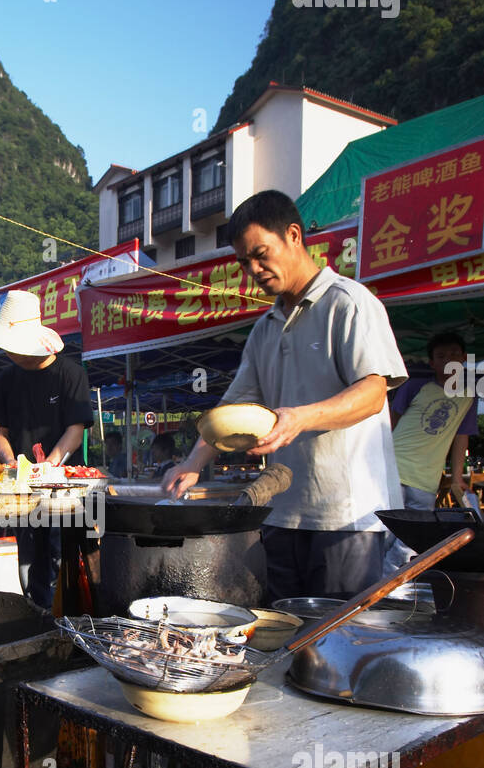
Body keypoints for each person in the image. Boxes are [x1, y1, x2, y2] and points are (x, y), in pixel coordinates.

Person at [162, 189, 407, 601]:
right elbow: (231, 411)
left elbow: (372, 394)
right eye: (244, 262)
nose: (254, 269)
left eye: (261, 254)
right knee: (284, 637)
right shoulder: (265, 328)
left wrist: (300, 418)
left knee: (337, 641)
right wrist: (192, 462)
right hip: (280, 512)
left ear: (294, 235)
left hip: (345, 516)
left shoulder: (349, 304)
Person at [0, 290, 94, 608]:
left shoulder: (71, 374)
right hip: (23, 493)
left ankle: (80, 630)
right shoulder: (7, 379)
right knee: (32, 569)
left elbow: (75, 432)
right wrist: (11, 462)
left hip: (67, 491)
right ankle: (40, 625)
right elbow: (1, 433)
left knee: (69, 562)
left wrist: (50, 465)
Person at [383, 330, 476, 571]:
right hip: (393, 467)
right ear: (432, 362)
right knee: (384, 531)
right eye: (441, 356)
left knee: (412, 540)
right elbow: (389, 422)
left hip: (426, 478)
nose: (448, 360)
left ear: (464, 358)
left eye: (454, 355)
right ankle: (374, 585)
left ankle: (394, 587)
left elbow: (460, 438)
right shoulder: (415, 386)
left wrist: (457, 477)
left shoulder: (468, 395)